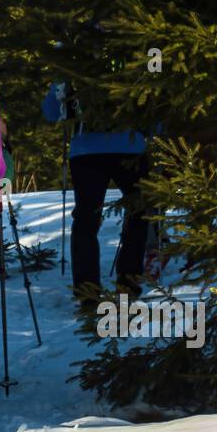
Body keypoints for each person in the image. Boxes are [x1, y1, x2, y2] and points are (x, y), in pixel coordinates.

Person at [41, 80, 150, 300]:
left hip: (86, 150)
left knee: (86, 219)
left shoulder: (75, 59)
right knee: (139, 212)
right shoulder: (135, 54)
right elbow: (155, 112)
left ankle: (87, 291)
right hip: (131, 146)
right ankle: (128, 283)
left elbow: (51, 112)